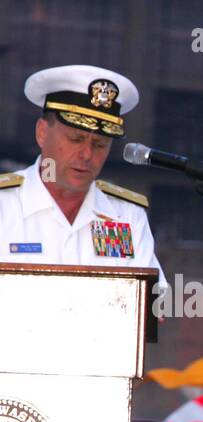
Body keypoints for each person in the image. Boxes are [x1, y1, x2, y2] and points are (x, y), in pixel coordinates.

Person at [0, 65, 163, 275]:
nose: (87, 154)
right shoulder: (5, 206)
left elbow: (151, 301)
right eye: (75, 139)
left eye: (100, 144)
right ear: (42, 133)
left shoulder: (125, 217)